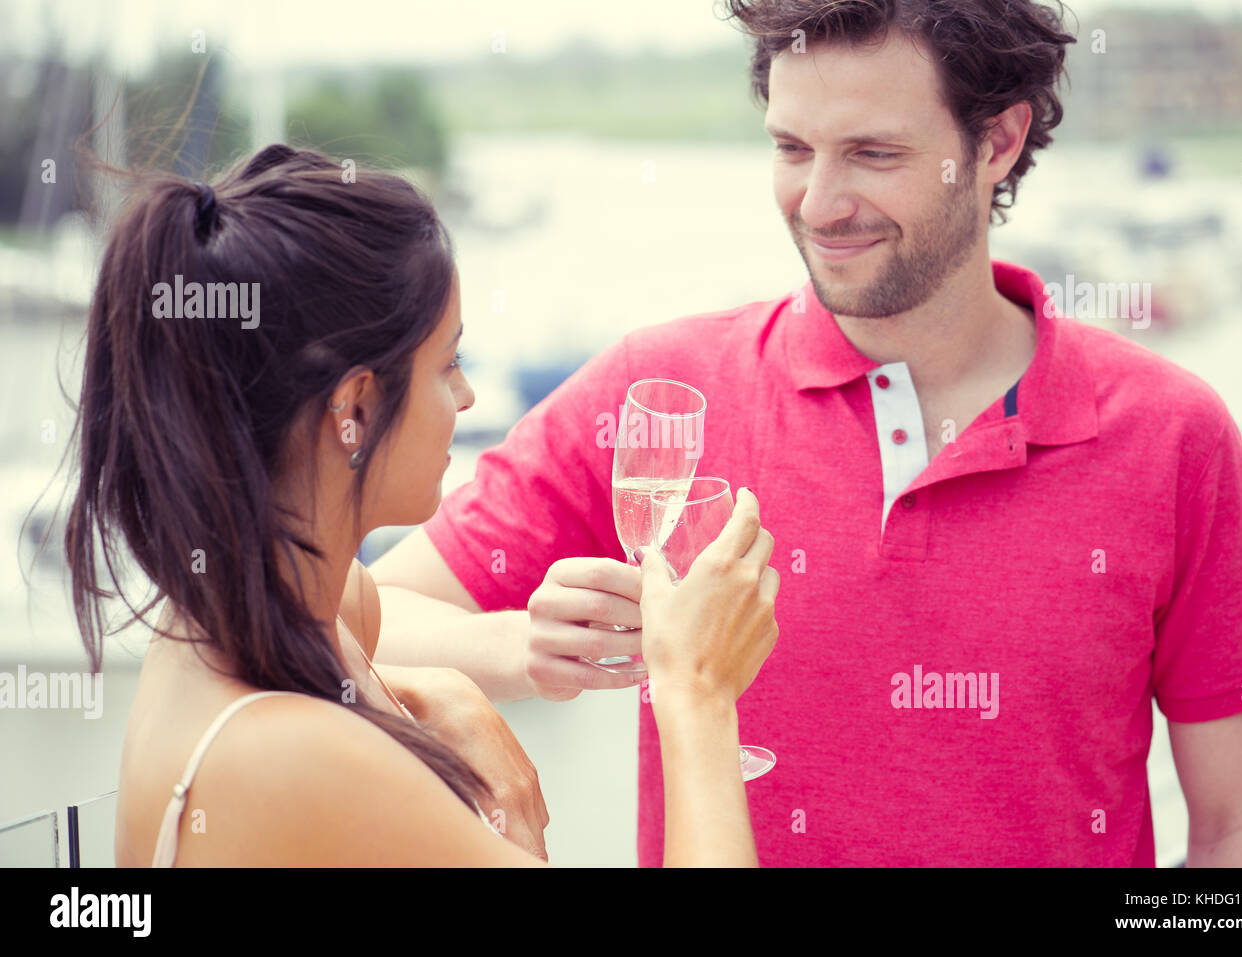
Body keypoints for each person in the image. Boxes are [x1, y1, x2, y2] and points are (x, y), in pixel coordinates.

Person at [369, 0, 1242, 867]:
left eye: (871, 153)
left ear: (998, 140)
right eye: (791, 147)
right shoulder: (657, 391)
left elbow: (1241, 828)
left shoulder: (1176, 438)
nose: (817, 203)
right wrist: (507, 658)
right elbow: (346, 619)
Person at [66, 143, 780, 866]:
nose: (467, 396)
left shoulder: (252, 608)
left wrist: (443, 690)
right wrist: (699, 692)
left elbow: (363, 652)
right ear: (356, 409)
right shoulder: (299, 758)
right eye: (448, 364)